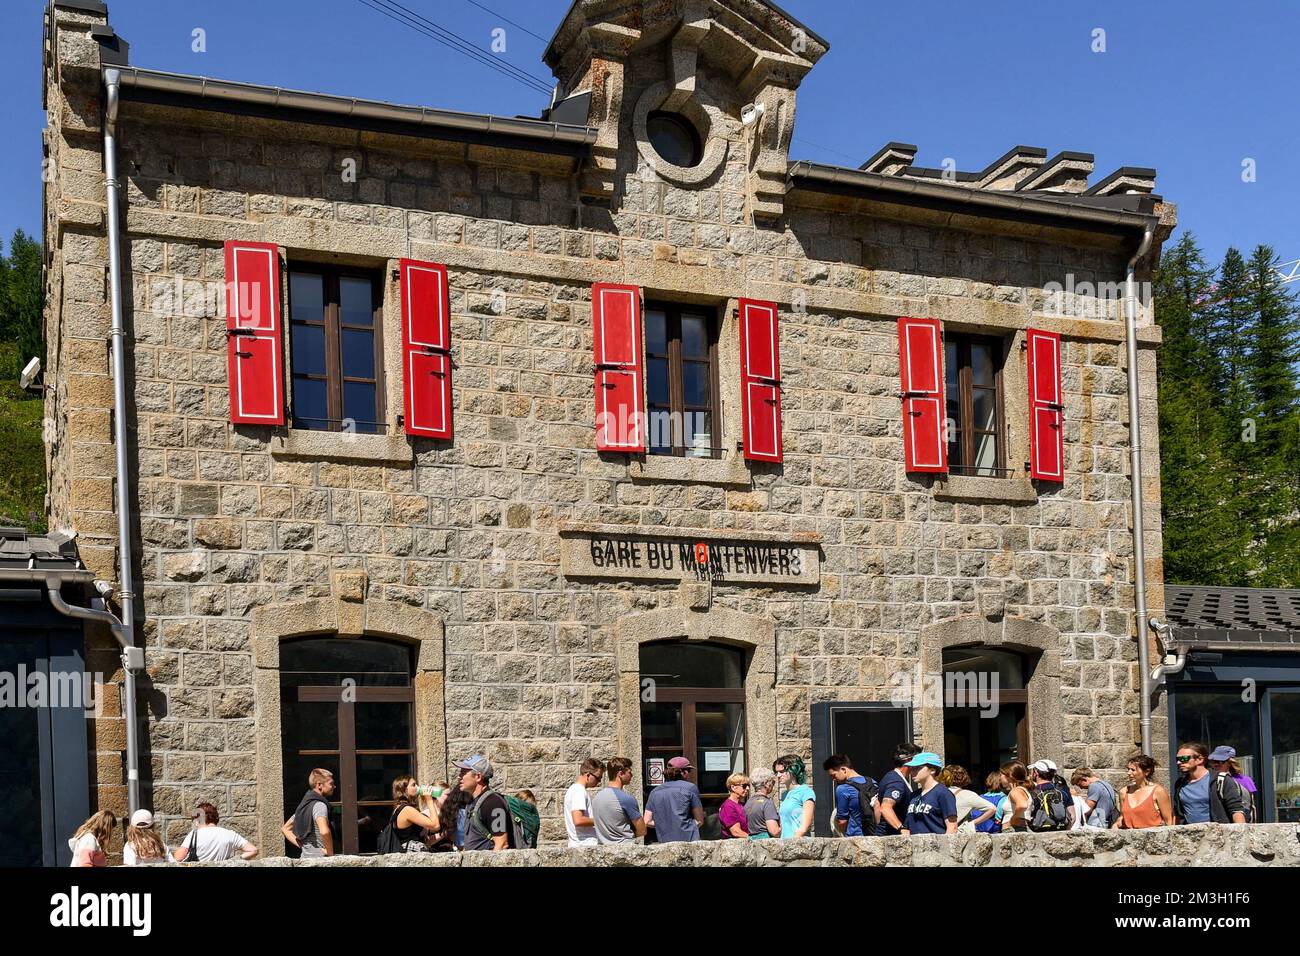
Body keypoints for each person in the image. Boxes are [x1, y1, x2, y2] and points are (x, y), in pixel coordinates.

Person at [1173, 742, 1246, 825]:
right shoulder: (1180, 783)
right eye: (1177, 759)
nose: (1178, 763)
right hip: (1189, 835)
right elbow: (1177, 813)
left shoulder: (1221, 780)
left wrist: (1241, 833)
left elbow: (1236, 810)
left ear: (1200, 759)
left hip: (1218, 834)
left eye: (1184, 759)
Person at [456, 755, 516, 851]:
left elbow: (502, 844)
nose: (459, 777)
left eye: (463, 773)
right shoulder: (471, 802)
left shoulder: (493, 803)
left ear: (478, 777)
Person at [644, 756, 704, 843]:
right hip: (688, 841)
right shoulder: (690, 788)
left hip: (665, 842)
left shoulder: (654, 792)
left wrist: (665, 826)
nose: (689, 774)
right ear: (684, 772)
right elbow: (699, 820)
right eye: (689, 771)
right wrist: (684, 827)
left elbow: (647, 821)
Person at [173, 803, 258, 862]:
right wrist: (234, 860)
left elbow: (178, 857)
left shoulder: (194, 835)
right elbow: (253, 850)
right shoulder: (230, 834)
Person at [281, 767, 336, 858]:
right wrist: (330, 854)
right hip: (320, 860)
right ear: (319, 785)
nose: (334, 786)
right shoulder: (319, 805)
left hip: (304, 859)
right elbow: (324, 832)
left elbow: (285, 829)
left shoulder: (305, 805)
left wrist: (304, 847)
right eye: (331, 784)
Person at [591, 756, 646, 845]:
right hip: (626, 849)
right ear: (620, 774)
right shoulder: (626, 799)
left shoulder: (596, 798)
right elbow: (642, 830)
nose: (632, 775)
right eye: (629, 772)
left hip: (604, 850)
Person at [901, 753, 958, 835]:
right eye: (912, 768)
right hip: (915, 846)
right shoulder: (913, 795)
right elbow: (908, 826)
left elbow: (952, 827)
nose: (912, 772)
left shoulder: (943, 793)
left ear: (932, 770)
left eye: (917, 768)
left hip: (936, 845)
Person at [385, 776, 444, 852]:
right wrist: (429, 800)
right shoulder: (407, 810)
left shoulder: (400, 807)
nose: (417, 787)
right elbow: (436, 825)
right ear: (404, 789)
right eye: (413, 785)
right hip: (411, 853)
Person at [823, 754, 876, 836]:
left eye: (833, 775)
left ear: (843, 769)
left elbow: (842, 821)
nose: (833, 779)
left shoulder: (842, 789)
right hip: (874, 836)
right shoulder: (872, 782)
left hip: (854, 839)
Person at [1116, 754, 1173, 829]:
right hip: (1129, 838)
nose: (1129, 773)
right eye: (1128, 769)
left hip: (1153, 838)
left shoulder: (1158, 791)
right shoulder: (1124, 792)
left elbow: (1169, 822)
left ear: (1146, 772)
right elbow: (1122, 817)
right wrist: (1116, 825)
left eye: (1133, 770)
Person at [875, 743, 920, 836]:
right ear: (908, 760)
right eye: (918, 760)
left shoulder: (893, 777)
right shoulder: (896, 781)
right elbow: (885, 808)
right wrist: (902, 828)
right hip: (890, 839)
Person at [939, 765, 996, 832]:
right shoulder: (967, 795)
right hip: (960, 833)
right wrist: (972, 823)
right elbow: (992, 808)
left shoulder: (937, 792)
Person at [1208, 747, 1257, 823]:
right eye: (1213, 761)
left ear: (1230, 762)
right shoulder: (1209, 779)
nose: (1215, 765)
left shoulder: (1245, 780)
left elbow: (1251, 806)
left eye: (1220, 761)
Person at [564, 758, 605, 847]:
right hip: (585, 845)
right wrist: (601, 821)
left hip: (580, 844)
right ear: (588, 775)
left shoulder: (573, 790)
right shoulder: (579, 791)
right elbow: (578, 820)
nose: (599, 781)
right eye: (598, 778)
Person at [774, 754, 815, 838]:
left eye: (782, 772)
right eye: (776, 772)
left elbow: (805, 825)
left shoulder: (806, 791)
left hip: (798, 845)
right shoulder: (784, 794)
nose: (778, 775)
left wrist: (793, 842)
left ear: (793, 770)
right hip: (783, 844)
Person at [1028, 759, 1075, 830]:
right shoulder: (1064, 790)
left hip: (1039, 834)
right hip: (1061, 833)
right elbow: (1073, 817)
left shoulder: (1032, 792)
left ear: (1036, 772)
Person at [745, 768, 781, 839]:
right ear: (766, 783)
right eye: (773, 782)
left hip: (751, 842)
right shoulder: (767, 803)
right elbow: (774, 831)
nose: (773, 785)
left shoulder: (748, 802)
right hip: (765, 843)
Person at [999, 761, 1034, 832]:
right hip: (1018, 828)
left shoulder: (1015, 791)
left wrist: (1012, 819)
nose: (1000, 778)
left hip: (1013, 829)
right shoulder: (1022, 790)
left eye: (1001, 775)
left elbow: (1022, 805)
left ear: (1009, 775)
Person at [719, 774, 751, 838]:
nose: (748, 788)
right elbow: (736, 832)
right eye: (744, 786)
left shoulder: (741, 804)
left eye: (748, 785)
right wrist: (754, 839)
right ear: (733, 787)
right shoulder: (728, 806)